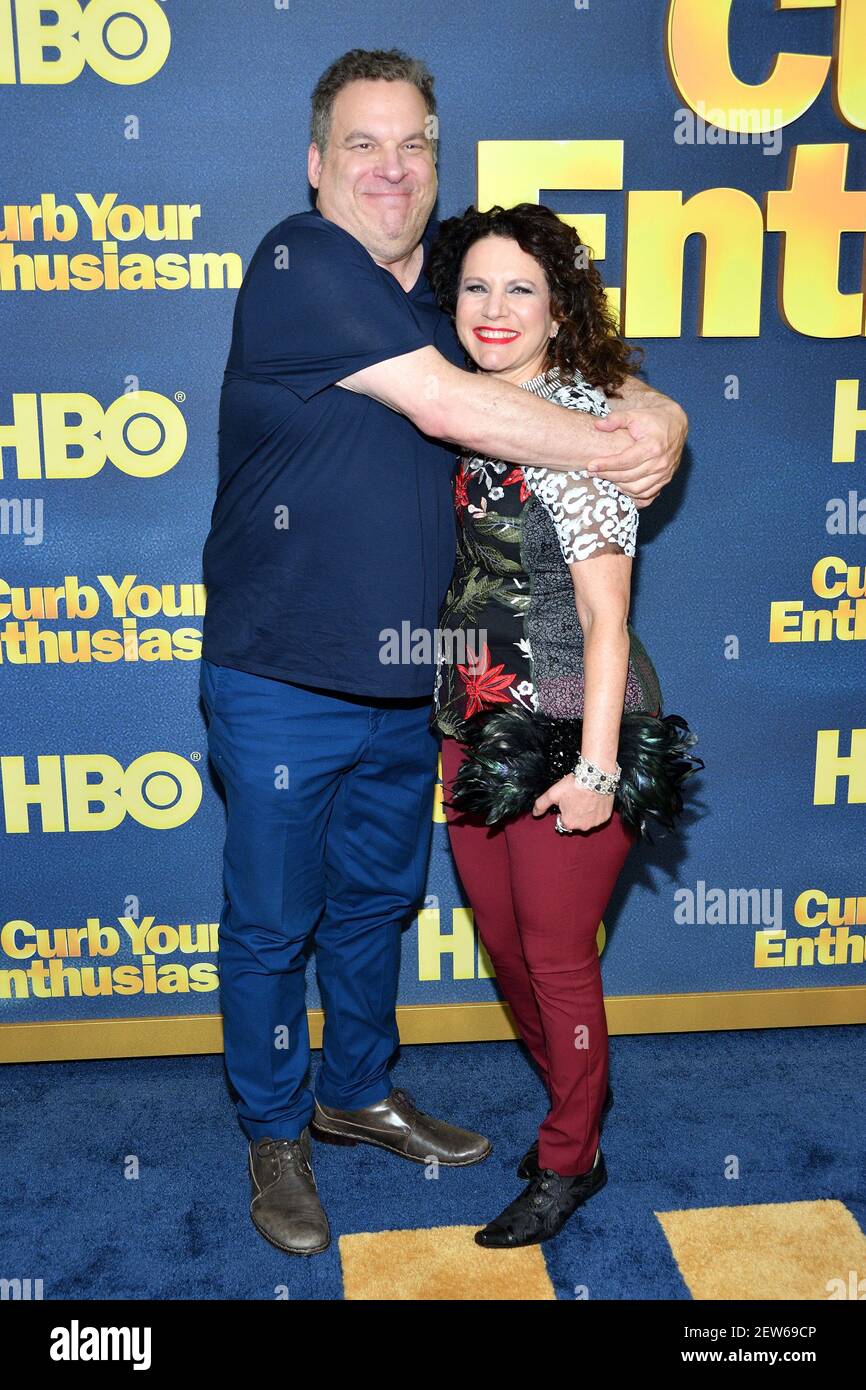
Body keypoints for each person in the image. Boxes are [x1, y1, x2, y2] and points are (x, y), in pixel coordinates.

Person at [199, 48, 689, 1257]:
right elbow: (456, 405)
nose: (389, 167)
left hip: (416, 693)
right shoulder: (300, 263)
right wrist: (620, 435)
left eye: (412, 141)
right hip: (278, 679)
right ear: (315, 164)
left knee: (374, 905)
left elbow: (541, 336)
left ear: (437, 156)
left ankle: (356, 1093)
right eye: (361, 144)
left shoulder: (441, 290)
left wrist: (654, 409)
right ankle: (274, 1132)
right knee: (273, 921)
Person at [427, 202, 701, 1248]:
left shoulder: (583, 424)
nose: (494, 310)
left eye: (520, 290)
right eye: (476, 288)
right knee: (501, 946)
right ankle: (578, 1099)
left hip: (573, 727)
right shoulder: (454, 403)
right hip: (473, 723)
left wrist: (593, 769)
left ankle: (567, 1157)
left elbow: (602, 616)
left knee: (552, 956)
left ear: (557, 310)